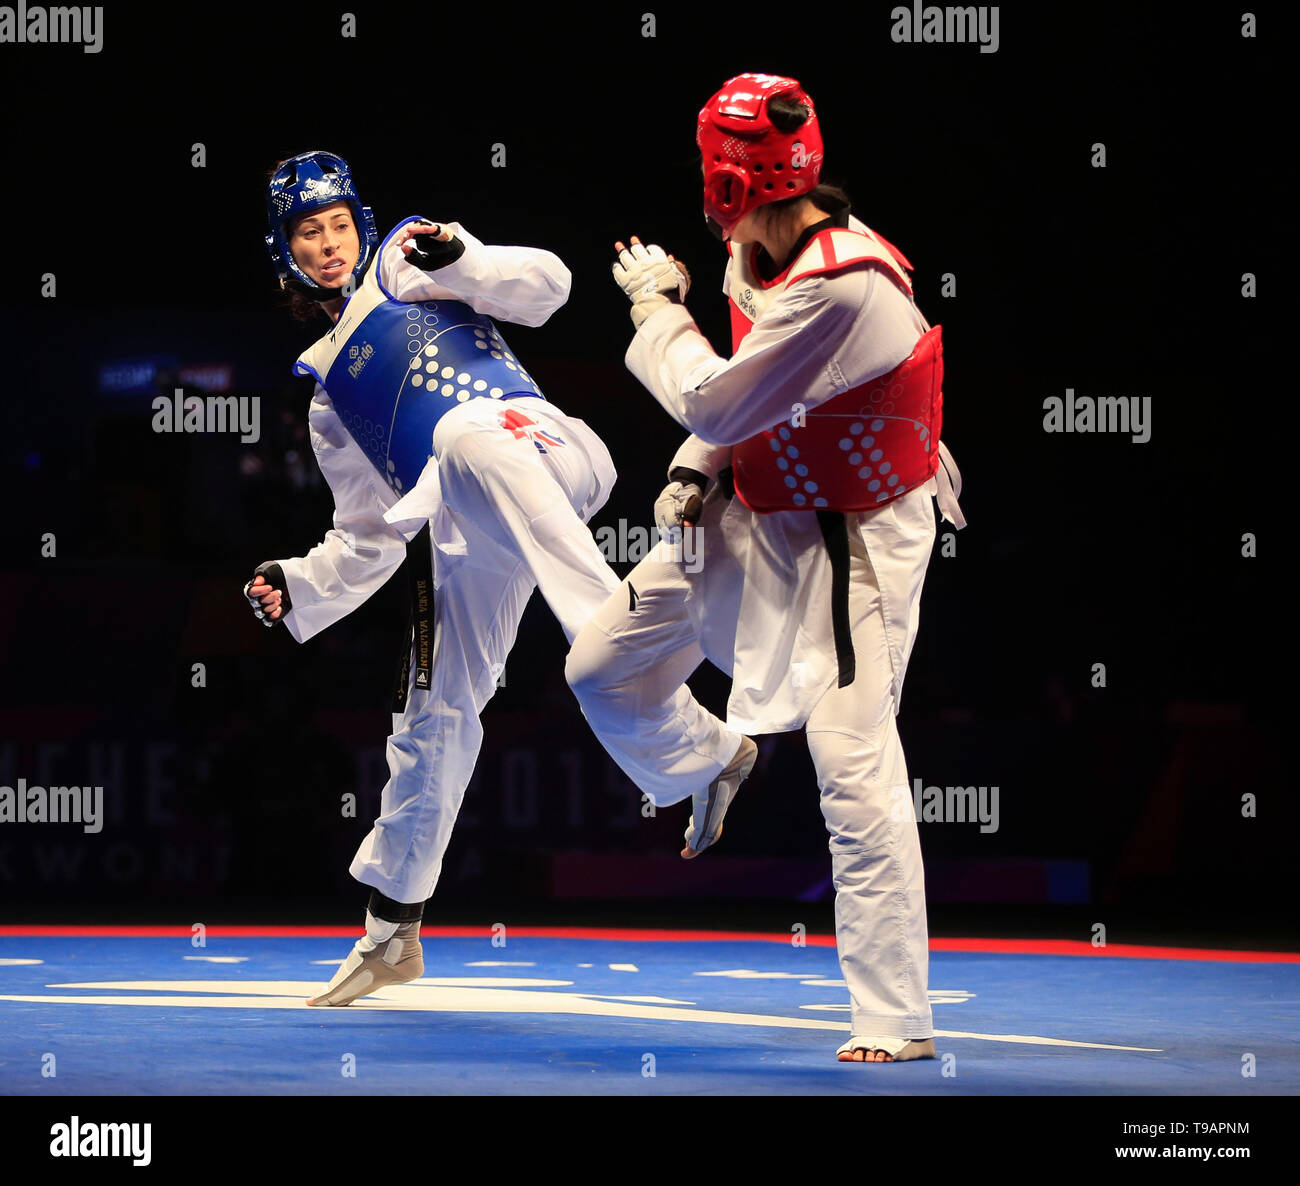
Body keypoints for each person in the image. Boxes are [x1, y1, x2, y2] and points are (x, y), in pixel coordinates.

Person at [565, 74, 965, 1062]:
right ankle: (712, 758)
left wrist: (656, 308)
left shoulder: (841, 281)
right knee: (599, 669)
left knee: (851, 759)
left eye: (711, 175)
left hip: (857, 538)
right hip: (756, 511)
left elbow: (710, 397)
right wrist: (693, 474)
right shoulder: (756, 253)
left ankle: (893, 1015)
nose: (704, 197)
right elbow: (743, 411)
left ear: (735, 181)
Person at [243, 149, 634, 1007]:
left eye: (339, 224)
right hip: (464, 515)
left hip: (534, 443)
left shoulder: (404, 264)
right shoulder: (325, 398)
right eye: (310, 233)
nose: (330, 244)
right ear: (288, 253)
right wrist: (299, 580)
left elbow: (549, 286)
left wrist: (465, 259)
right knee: (434, 708)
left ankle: (636, 658)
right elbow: (370, 538)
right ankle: (393, 931)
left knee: (468, 439)